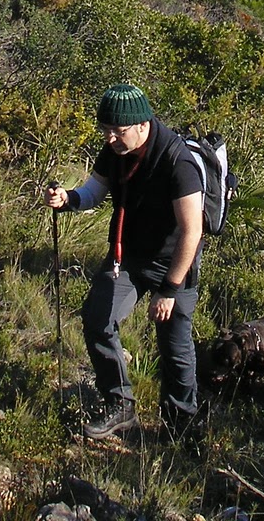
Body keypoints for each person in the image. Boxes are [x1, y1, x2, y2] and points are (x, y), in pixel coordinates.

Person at [45, 83, 203, 440]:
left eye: (119, 131)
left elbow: (192, 232)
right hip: (128, 256)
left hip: (174, 263)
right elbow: (94, 191)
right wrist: (67, 199)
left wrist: (169, 290)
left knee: (175, 347)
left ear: (143, 125)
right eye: (106, 130)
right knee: (98, 318)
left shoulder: (178, 162)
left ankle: (182, 426)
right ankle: (120, 404)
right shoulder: (115, 150)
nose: (111, 138)